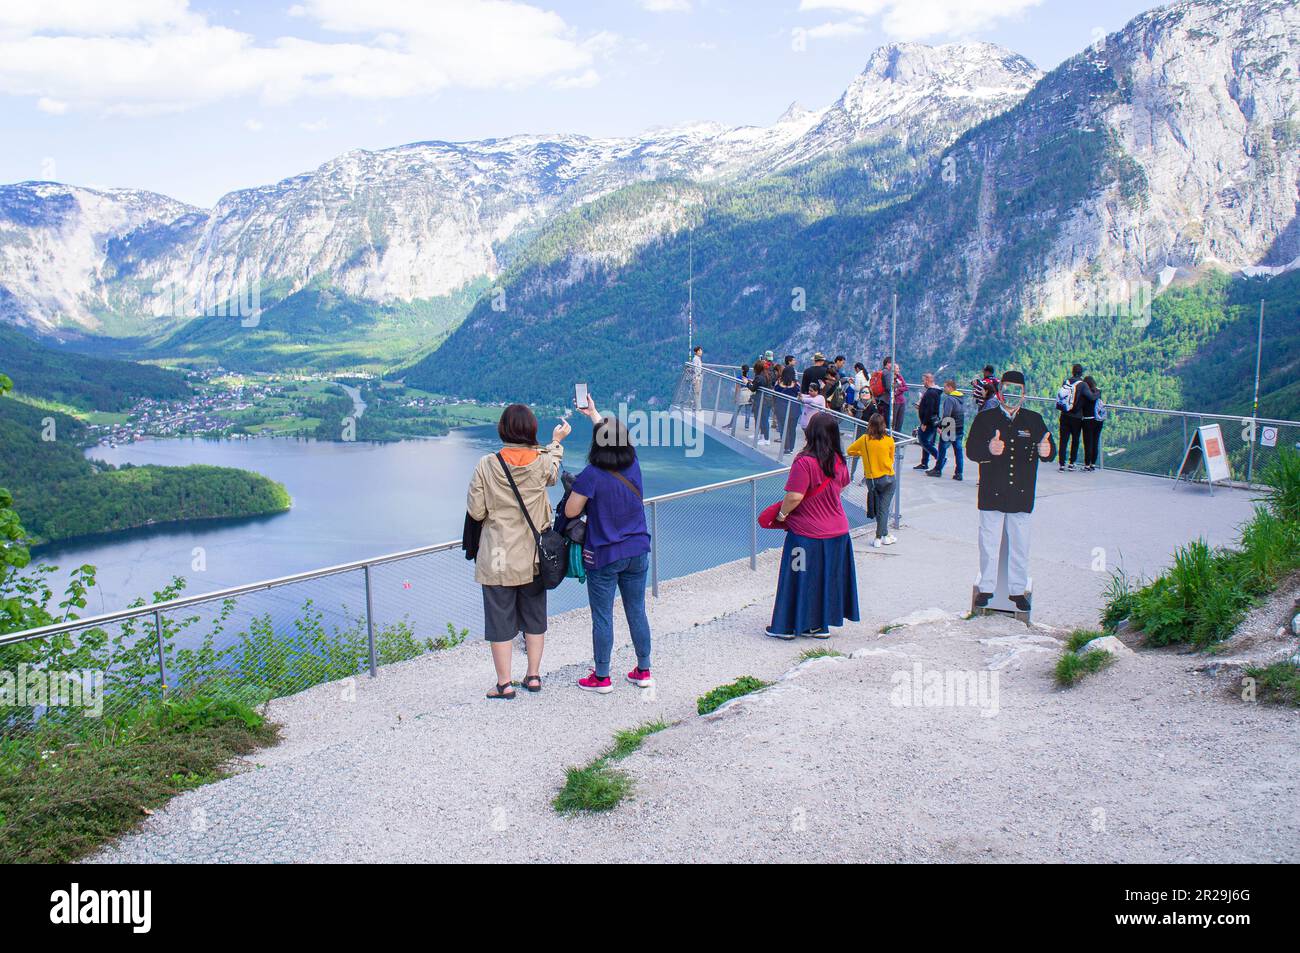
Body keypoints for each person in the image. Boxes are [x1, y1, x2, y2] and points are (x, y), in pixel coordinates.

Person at [467, 403, 571, 699]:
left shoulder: (487, 465)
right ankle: (534, 676)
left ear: (503, 429)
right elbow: (552, 471)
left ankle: (504, 684)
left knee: (500, 621)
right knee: (535, 618)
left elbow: (476, 511)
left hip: (498, 557)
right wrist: (556, 442)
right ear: (531, 430)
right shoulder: (540, 462)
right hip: (533, 556)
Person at [563, 395, 654, 695]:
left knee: (603, 616)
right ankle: (643, 670)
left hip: (604, 554)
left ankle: (602, 677)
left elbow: (571, 512)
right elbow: (611, 435)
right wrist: (593, 413)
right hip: (638, 550)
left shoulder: (591, 475)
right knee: (637, 611)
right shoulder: (634, 465)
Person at [964, 370, 1054, 612]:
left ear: (1024, 395)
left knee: (1021, 545)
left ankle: (1017, 590)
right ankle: (986, 588)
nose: (1012, 396)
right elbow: (970, 450)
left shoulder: (1034, 420)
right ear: (1000, 392)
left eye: (1017, 391)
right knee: (988, 543)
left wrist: (1048, 451)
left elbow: (1049, 447)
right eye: (1007, 390)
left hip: (1021, 493)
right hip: (991, 492)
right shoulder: (985, 419)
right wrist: (988, 449)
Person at [765, 413, 860, 639]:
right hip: (837, 534)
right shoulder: (839, 462)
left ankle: (786, 626)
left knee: (797, 575)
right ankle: (817, 625)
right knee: (824, 577)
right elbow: (842, 486)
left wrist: (781, 514)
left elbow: (795, 496)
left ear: (810, 433)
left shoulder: (805, 462)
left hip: (806, 535)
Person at [846, 412, 897, 547]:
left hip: (872, 480)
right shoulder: (889, 440)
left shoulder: (864, 440)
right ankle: (880, 536)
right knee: (884, 508)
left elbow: (850, 451)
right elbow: (891, 458)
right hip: (888, 478)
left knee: (879, 507)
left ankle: (883, 535)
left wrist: (862, 453)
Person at [928, 378, 965, 481]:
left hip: (950, 427)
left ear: (950, 387)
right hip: (959, 427)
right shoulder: (961, 398)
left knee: (942, 449)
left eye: (945, 387)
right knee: (958, 451)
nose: (943, 389)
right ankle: (959, 473)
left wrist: (939, 426)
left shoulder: (950, 399)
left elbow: (947, 415)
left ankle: (938, 470)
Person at [1056, 363, 1089, 472]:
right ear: (1081, 372)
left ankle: (1061, 464)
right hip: (1076, 416)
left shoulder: (1066, 382)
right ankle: (1071, 463)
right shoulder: (1083, 385)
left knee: (1063, 440)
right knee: (1075, 440)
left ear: (1072, 371)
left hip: (1064, 415)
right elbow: (1090, 397)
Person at [914, 372, 942, 470]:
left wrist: (924, 423)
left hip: (928, 421)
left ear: (927, 380)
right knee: (927, 441)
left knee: (923, 440)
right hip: (932, 420)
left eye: (923, 381)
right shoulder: (935, 392)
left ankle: (940, 458)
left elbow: (929, 409)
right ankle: (924, 463)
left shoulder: (931, 393)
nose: (923, 383)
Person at [1080, 374, 1104, 472]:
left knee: (1088, 443)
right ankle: (1093, 464)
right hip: (1098, 420)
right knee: (1095, 442)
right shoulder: (1098, 392)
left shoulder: (1085, 394)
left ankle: (1087, 465)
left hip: (1088, 420)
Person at [731, 363, 754, 435]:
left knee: (736, 410)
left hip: (742, 394)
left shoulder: (739, 378)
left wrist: (735, 397)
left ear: (742, 370)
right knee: (748, 412)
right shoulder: (748, 378)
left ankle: (732, 424)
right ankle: (746, 427)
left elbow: (737, 388)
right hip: (748, 394)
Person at [691, 345, 704, 410]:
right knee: (696, 393)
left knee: (697, 392)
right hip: (697, 378)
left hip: (697, 377)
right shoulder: (696, 359)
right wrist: (697, 376)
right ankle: (697, 407)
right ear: (697, 351)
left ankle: (696, 407)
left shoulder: (697, 359)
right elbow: (695, 369)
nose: (701, 352)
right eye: (700, 351)